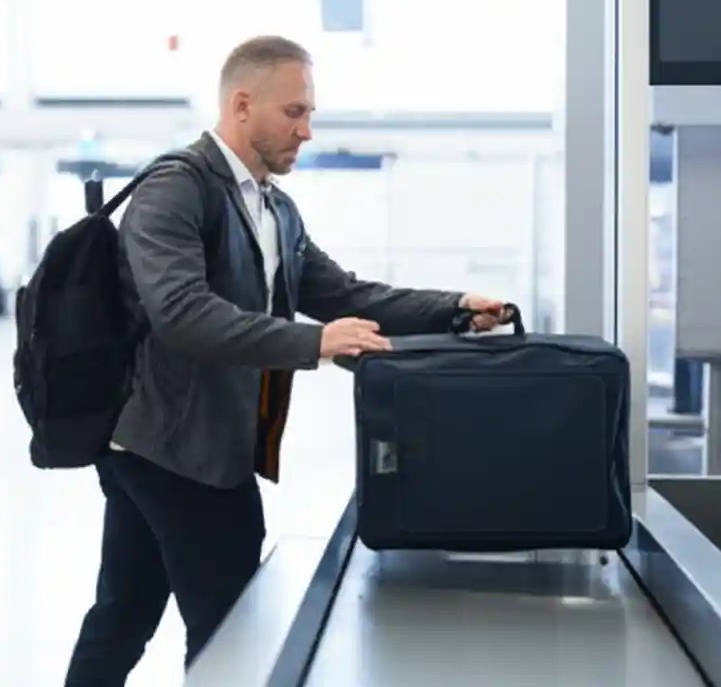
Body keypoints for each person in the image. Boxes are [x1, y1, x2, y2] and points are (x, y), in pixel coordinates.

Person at [63, 35, 507, 685]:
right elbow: (181, 313)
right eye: (294, 112)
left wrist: (455, 308)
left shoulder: (275, 208)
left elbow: (344, 295)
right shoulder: (175, 190)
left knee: (124, 612)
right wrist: (312, 344)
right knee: (230, 632)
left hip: (173, 444)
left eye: (309, 113)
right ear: (242, 105)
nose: (307, 130)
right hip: (182, 451)